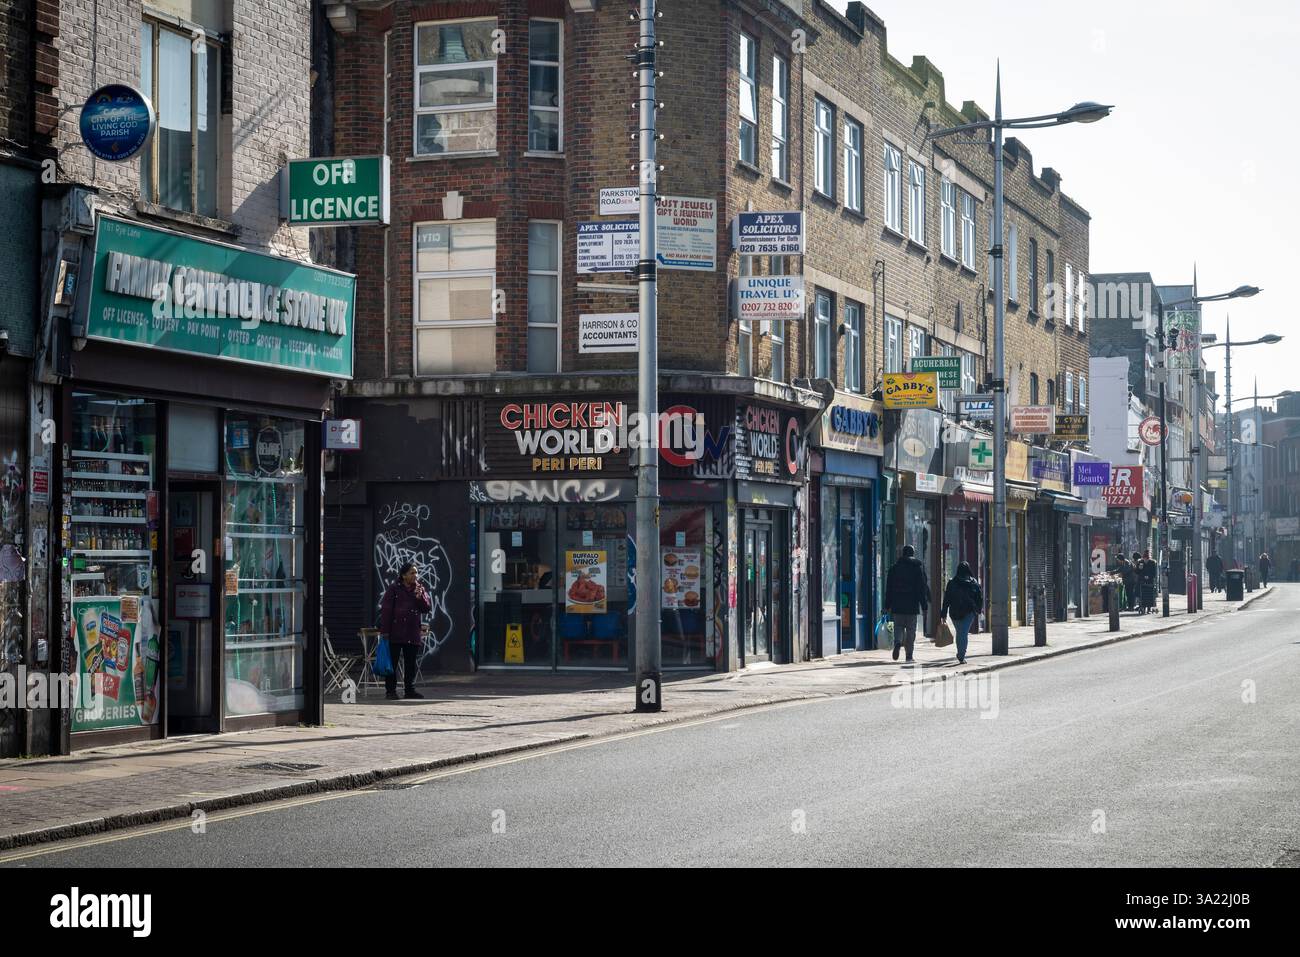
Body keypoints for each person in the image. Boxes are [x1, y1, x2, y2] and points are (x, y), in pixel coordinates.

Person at [379, 561, 432, 700]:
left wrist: (420, 597)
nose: (415, 575)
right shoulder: (394, 589)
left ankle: (410, 690)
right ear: (403, 575)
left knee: (411, 663)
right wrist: (385, 631)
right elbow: (386, 610)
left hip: (412, 631)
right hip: (395, 631)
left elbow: (426, 608)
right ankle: (390, 691)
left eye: (416, 572)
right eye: (412, 573)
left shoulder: (419, 588)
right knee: (393, 663)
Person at [884, 545, 930, 663]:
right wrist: (924, 606)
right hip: (912, 606)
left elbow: (889, 589)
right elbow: (921, 589)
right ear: (913, 554)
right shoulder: (917, 569)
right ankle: (909, 656)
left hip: (897, 605)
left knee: (898, 627)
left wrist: (887, 605)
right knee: (911, 631)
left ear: (902, 554)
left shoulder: (893, 569)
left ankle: (898, 643)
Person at [940, 561, 983, 665]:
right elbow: (979, 598)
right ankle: (961, 655)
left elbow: (946, 599)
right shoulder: (974, 582)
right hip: (969, 612)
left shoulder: (952, 582)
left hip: (954, 612)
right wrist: (978, 610)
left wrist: (943, 613)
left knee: (961, 632)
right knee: (962, 633)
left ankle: (961, 654)